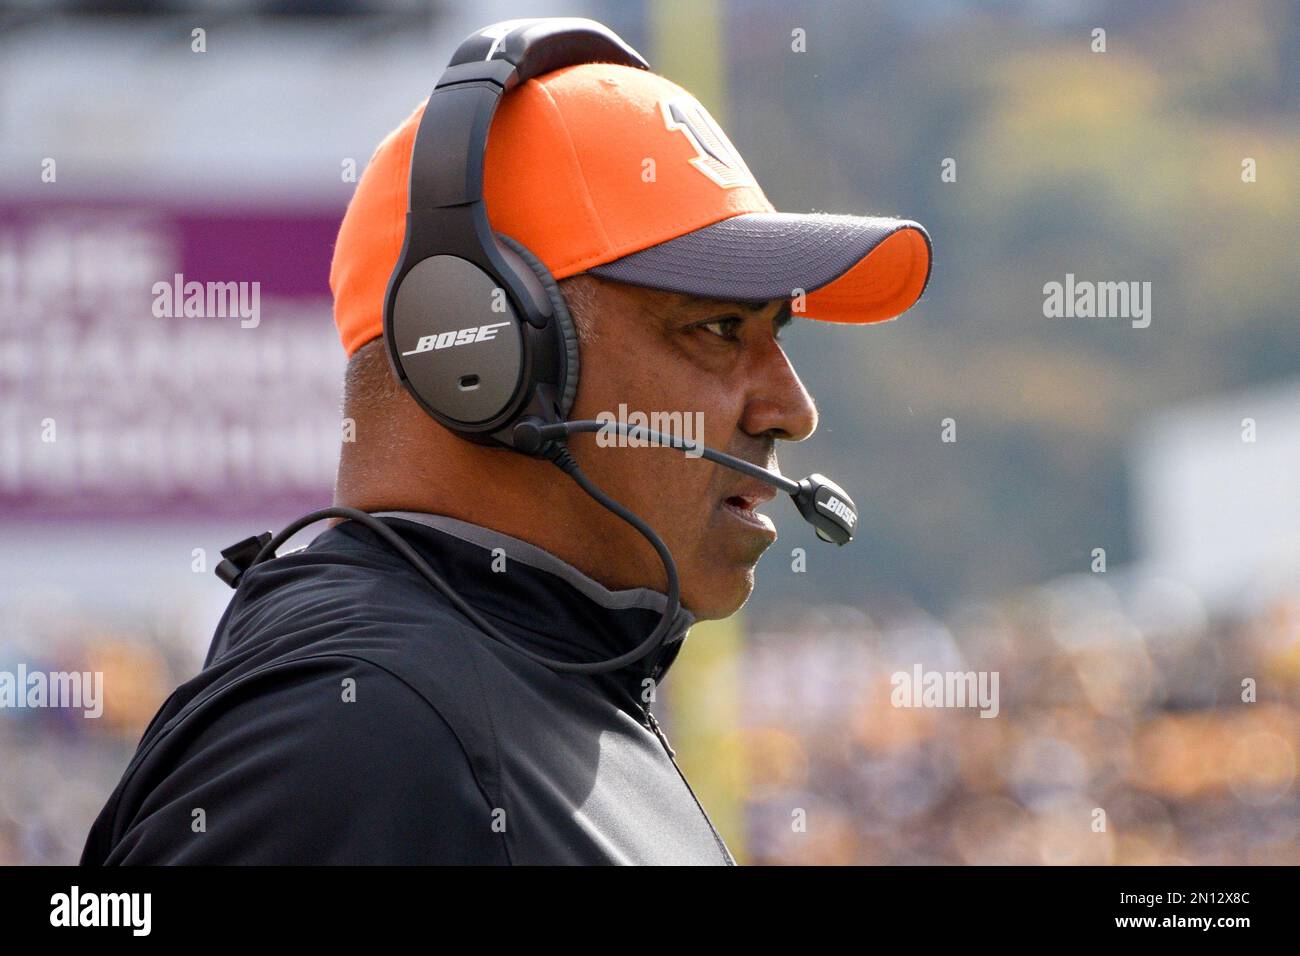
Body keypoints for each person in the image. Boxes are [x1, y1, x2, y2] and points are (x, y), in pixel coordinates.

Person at [82, 18, 931, 865]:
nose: (792, 406)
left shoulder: (519, 697)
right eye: (715, 328)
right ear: (482, 353)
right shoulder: (359, 736)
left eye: (779, 334)